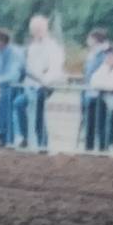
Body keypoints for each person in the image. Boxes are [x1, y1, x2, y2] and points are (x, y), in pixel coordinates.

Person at [20, 14, 64, 152]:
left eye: (38, 29)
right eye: (33, 30)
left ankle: (43, 144)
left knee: (38, 113)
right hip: (32, 83)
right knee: (19, 104)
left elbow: (54, 68)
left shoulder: (52, 46)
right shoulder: (32, 46)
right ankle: (27, 138)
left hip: (45, 85)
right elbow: (29, 65)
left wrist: (44, 80)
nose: (35, 33)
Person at [0, 28, 24, 148]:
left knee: (12, 113)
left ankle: (16, 138)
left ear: (1, 41)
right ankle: (2, 137)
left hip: (15, 88)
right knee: (1, 113)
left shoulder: (15, 52)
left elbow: (14, 75)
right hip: (2, 88)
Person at [80, 28, 110, 151]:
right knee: (90, 123)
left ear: (95, 40)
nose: (87, 41)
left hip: (98, 93)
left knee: (100, 123)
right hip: (89, 93)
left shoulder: (102, 55)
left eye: (90, 38)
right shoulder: (92, 54)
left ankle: (102, 148)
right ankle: (89, 147)